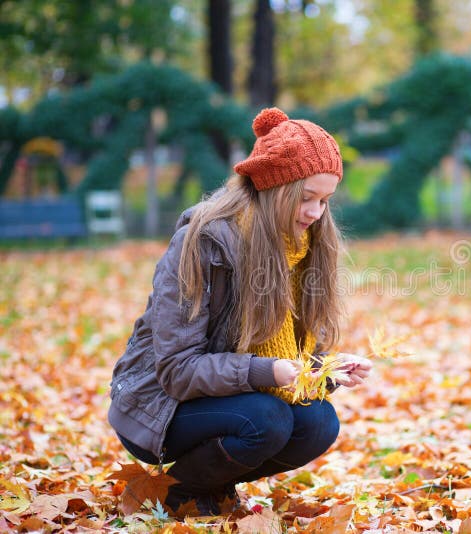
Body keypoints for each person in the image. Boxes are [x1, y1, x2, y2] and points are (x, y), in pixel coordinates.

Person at [107, 107, 372, 516]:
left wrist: (327, 369)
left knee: (319, 423)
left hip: (232, 399)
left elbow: (294, 360)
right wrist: (266, 371)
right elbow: (178, 369)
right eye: (306, 198)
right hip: (158, 403)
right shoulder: (206, 241)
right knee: (267, 419)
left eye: (325, 200)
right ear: (274, 187)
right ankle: (175, 492)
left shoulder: (304, 245)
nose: (316, 213)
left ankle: (209, 486)